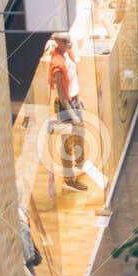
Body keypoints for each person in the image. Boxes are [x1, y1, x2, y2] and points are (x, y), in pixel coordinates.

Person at [46, 33, 86, 192]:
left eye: (69, 39)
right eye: (65, 41)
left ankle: (78, 165)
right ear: (57, 42)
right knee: (67, 143)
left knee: (79, 135)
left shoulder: (68, 54)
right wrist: (72, 114)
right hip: (66, 106)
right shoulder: (57, 64)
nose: (69, 43)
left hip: (74, 100)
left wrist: (78, 97)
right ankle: (69, 180)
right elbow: (61, 95)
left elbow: (73, 79)